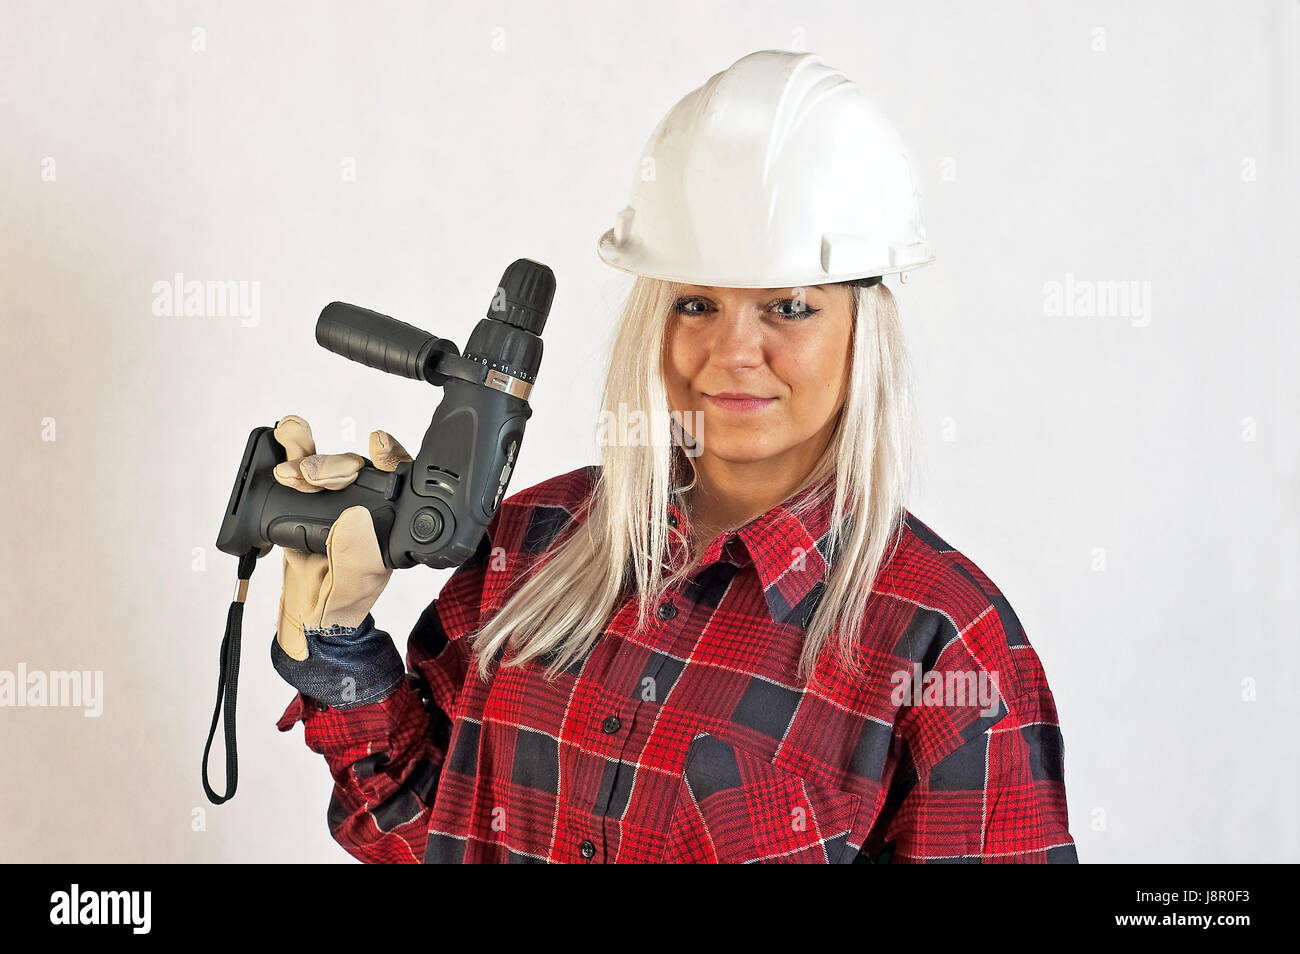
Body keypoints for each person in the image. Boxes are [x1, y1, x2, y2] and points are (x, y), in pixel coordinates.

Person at [271, 49, 1079, 864]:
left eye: (789, 307)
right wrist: (339, 647)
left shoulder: (943, 643)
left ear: (864, 330)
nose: (733, 350)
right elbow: (427, 830)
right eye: (696, 303)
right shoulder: (535, 539)